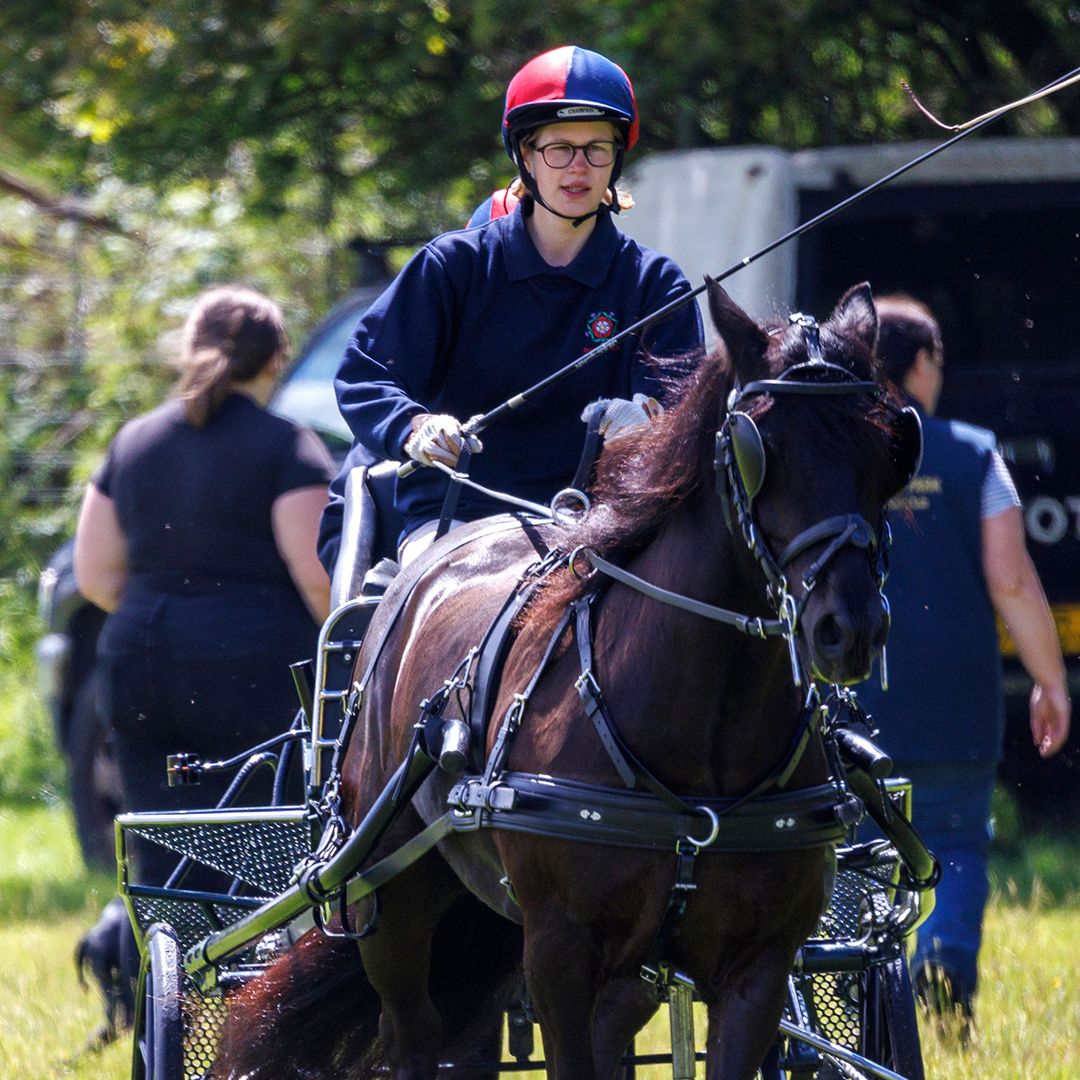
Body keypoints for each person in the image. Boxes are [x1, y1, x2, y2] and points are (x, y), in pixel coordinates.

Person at [72, 284, 335, 1039]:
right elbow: (314, 575)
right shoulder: (290, 447)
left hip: (142, 668)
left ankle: (167, 1014)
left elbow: (97, 576)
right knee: (268, 853)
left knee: (158, 853)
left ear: (190, 348)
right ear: (277, 360)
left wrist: (172, 619)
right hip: (257, 673)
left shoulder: (134, 442)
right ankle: (263, 1021)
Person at [333, 44, 704, 568]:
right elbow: (364, 375)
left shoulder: (655, 283)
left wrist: (648, 423)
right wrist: (414, 428)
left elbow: (684, 418)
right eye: (559, 149)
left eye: (597, 148)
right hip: (452, 519)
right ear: (525, 156)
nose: (578, 167)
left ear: (616, 158)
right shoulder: (452, 265)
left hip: (597, 528)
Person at [856, 294, 1071, 1028]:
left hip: (857, 700)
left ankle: (864, 1002)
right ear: (920, 364)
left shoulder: (837, 447)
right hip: (956, 700)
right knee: (954, 842)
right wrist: (1051, 681)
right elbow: (1011, 580)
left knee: (857, 856)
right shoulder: (975, 453)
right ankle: (944, 953)